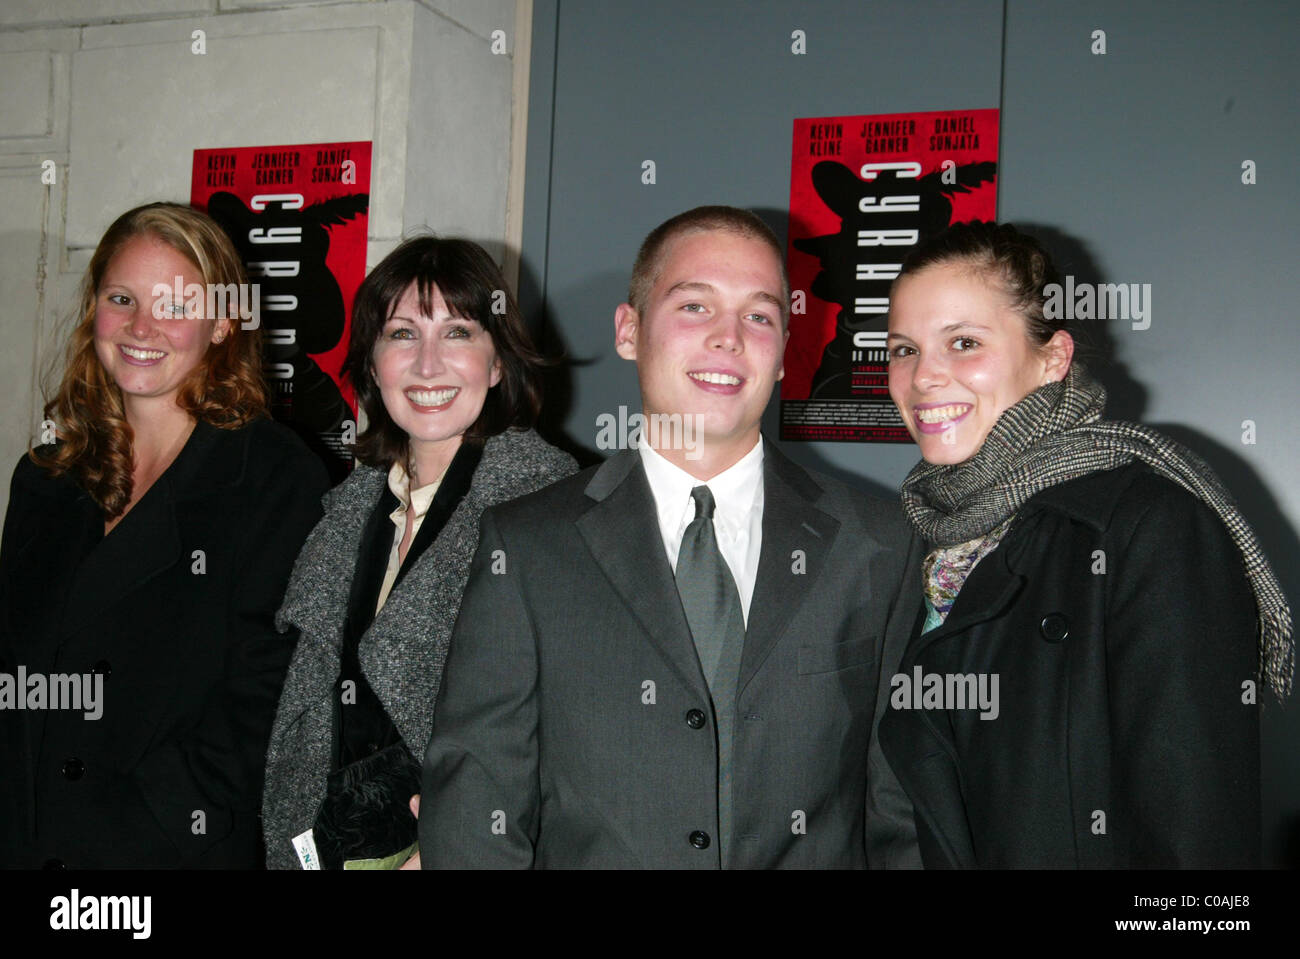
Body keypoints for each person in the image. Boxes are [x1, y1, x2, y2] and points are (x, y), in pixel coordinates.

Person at [419, 206, 923, 868]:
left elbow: (904, 814)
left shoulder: (880, 544)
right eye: (694, 306)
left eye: (760, 315)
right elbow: (476, 813)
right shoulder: (529, 546)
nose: (729, 337)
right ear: (629, 330)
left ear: (781, 357)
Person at [878, 220, 1292, 868]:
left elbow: (1200, 854)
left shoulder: (1150, 527)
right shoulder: (915, 535)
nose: (924, 376)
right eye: (902, 348)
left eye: (963, 342)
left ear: (1053, 357)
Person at [0, 202, 329, 868]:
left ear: (221, 323)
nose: (141, 326)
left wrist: (149, 818)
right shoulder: (43, 480)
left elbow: (272, 696)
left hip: (166, 856)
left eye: (174, 304)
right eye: (122, 298)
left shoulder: (271, 477)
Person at [262, 237, 577, 870]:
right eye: (403, 334)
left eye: (458, 333)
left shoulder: (553, 507)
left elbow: (576, 729)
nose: (428, 365)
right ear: (372, 364)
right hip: (329, 848)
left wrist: (454, 843)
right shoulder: (342, 515)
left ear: (496, 363)